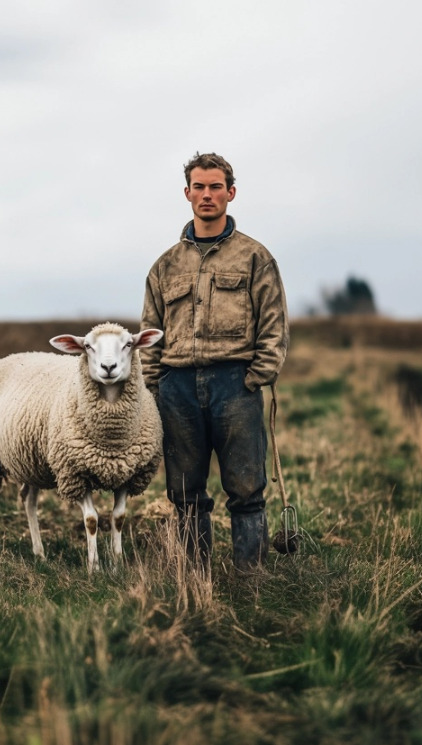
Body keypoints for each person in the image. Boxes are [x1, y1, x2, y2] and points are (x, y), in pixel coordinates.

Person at [141, 152, 289, 571]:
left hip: (234, 385)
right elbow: (150, 331)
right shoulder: (165, 266)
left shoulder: (255, 258)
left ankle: (251, 576)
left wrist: (256, 377)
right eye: (199, 187)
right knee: (185, 493)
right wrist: (157, 386)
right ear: (187, 193)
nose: (207, 195)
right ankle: (195, 578)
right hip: (178, 389)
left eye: (216, 187)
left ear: (231, 193)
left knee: (246, 489)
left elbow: (274, 324)